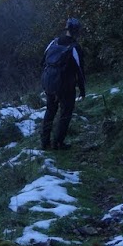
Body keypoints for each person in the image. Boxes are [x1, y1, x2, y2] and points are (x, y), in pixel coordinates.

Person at [40, 18, 88, 150]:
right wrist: (82, 89)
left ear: (67, 29)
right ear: (77, 31)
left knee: (50, 111)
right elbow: (80, 70)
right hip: (66, 87)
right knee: (65, 114)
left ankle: (45, 143)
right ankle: (58, 143)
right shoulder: (74, 48)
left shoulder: (53, 42)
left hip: (49, 83)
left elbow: (42, 62)